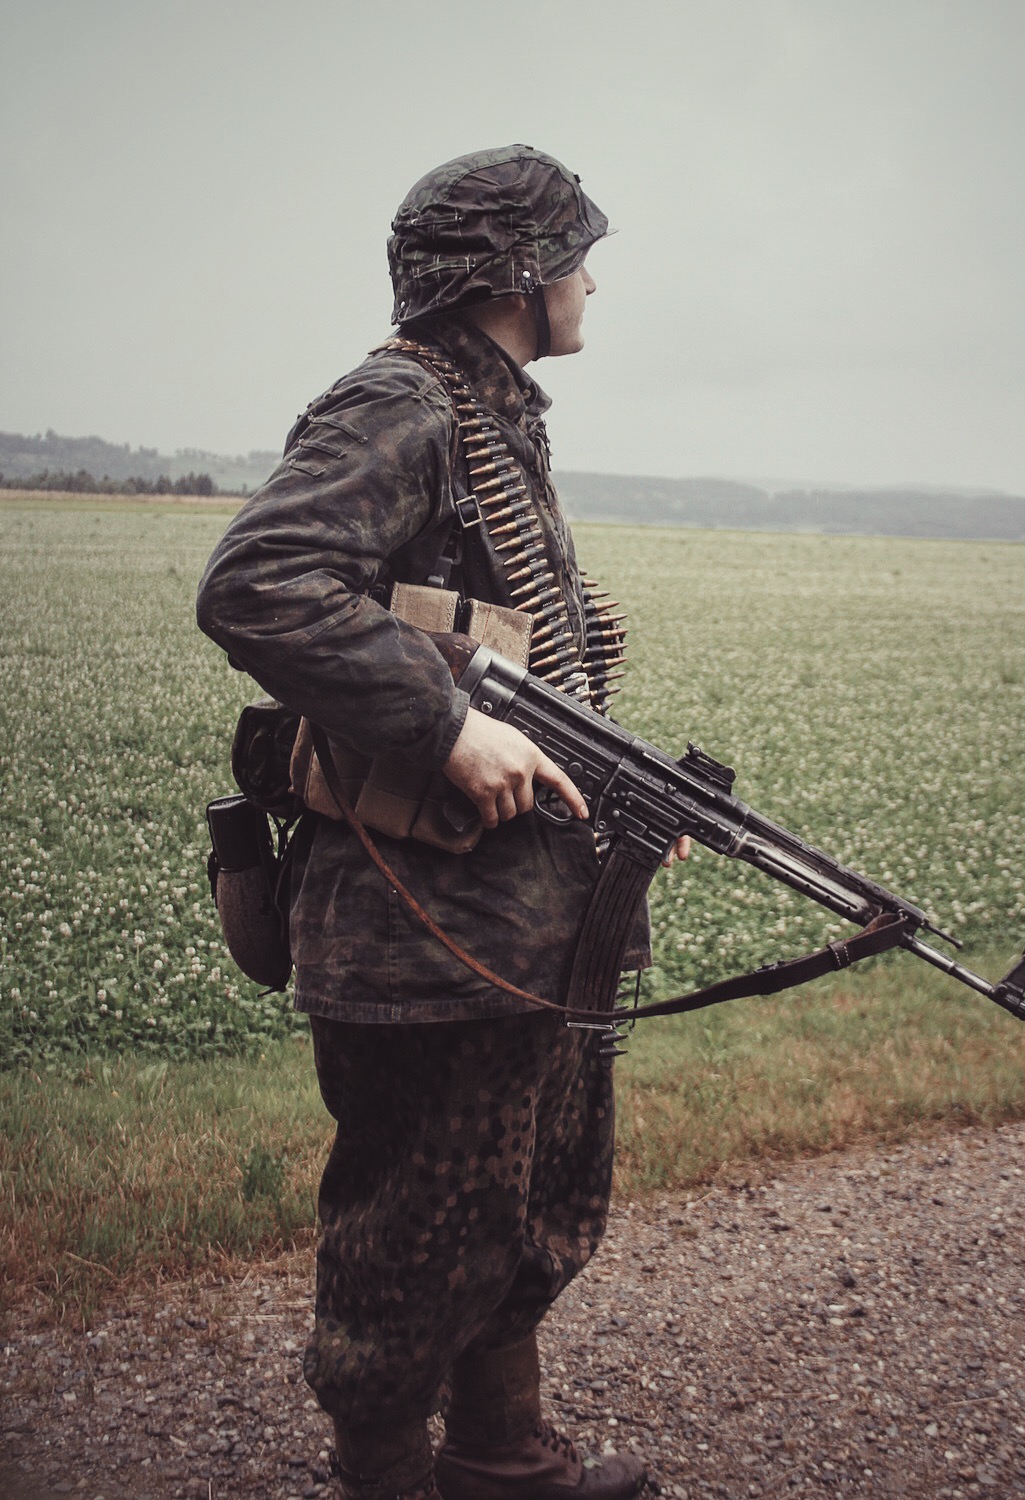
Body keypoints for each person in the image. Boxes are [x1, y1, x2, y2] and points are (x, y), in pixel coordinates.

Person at [197, 146, 680, 1500]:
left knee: (525, 1213)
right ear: (518, 276)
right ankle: (390, 1479)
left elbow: (530, 659)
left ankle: (496, 1456)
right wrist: (449, 725)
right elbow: (261, 584)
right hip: (423, 940)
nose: (591, 279)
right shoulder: (401, 404)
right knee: (420, 1233)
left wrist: (624, 799)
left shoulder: (497, 417)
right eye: (575, 255)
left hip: (518, 926)